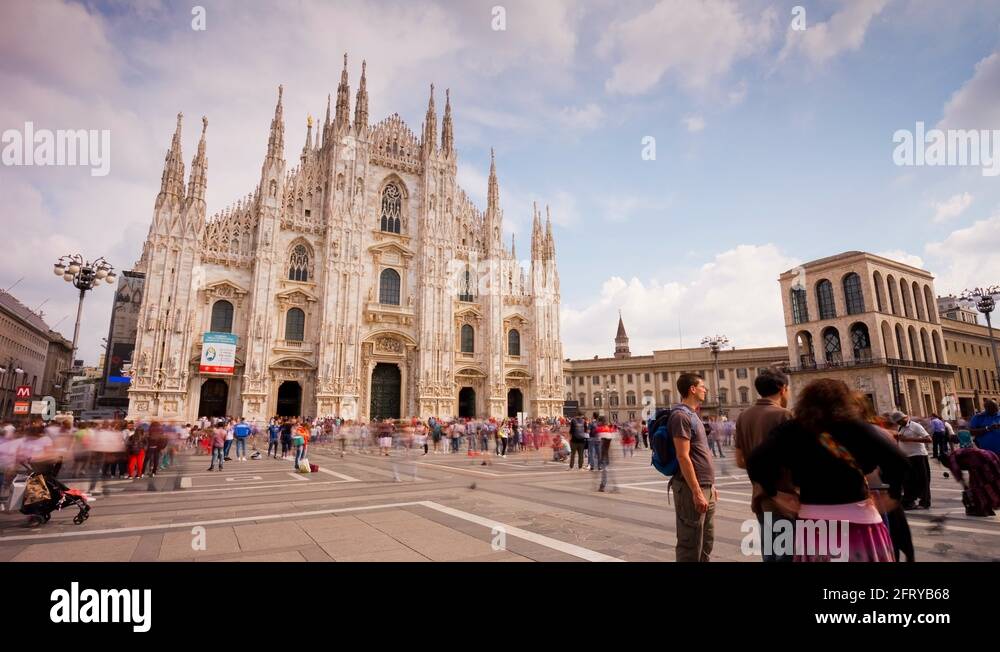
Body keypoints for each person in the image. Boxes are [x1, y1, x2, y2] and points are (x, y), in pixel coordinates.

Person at [747, 379, 909, 562]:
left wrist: (775, 494)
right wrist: (894, 493)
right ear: (844, 401)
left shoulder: (791, 429)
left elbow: (755, 461)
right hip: (859, 516)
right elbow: (900, 461)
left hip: (814, 518)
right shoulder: (857, 428)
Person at [733, 368, 794, 562]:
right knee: (787, 555)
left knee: (769, 554)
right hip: (786, 497)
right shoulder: (785, 416)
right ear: (783, 389)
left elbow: (740, 460)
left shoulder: (744, 416)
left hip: (760, 496)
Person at [668, 373, 716, 562]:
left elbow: (701, 452)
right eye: (702, 386)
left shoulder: (693, 415)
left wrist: (711, 485)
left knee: (706, 540)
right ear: (692, 389)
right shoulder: (680, 416)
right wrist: (697, 491)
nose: (706, 389)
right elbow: (683, 455)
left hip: (706, 487)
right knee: (690, 542)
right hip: (690, 489)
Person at [890, 410, 932, 510]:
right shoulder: (901, 427)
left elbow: (929, 439)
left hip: (918, 455)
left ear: (905, 418)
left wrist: (908, 440)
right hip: (907, 457)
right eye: (898, 422)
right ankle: (909, 501)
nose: (899, 423)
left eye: (900, 421)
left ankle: (925, 502)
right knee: (908, 480)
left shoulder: (916, 426)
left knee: (923, 480)